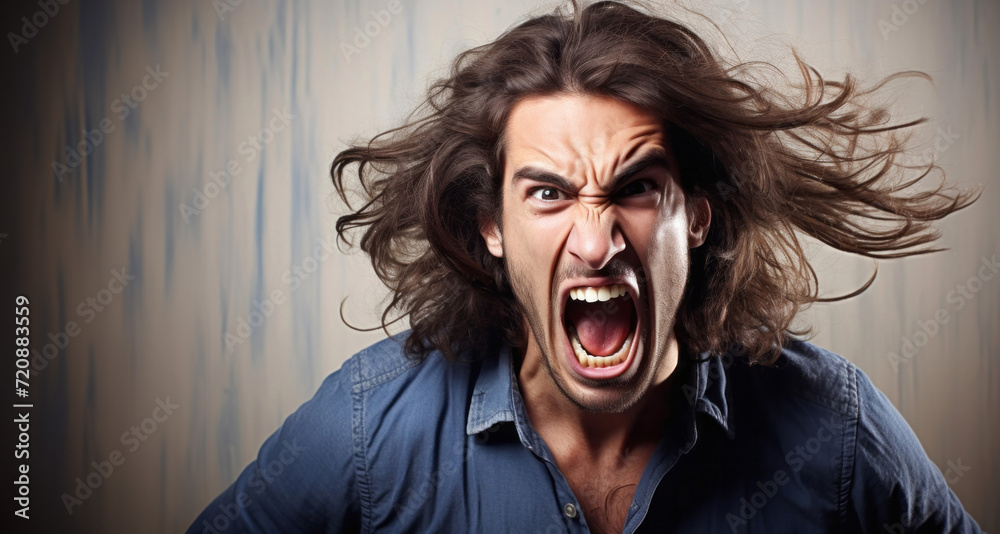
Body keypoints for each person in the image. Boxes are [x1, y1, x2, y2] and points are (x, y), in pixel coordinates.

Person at [188, 1, 984, 532]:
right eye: (549, 194)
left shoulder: (833, 431)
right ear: (491, 226)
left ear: (696, 216)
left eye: (635, 189)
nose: (596, 242)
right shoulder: (366, 432)